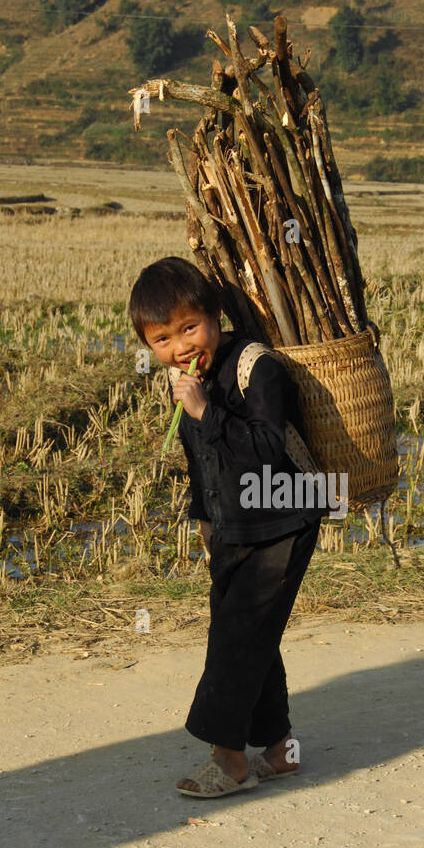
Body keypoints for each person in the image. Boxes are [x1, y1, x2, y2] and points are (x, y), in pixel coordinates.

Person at [129, 256, 327, 797]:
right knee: (246, 630)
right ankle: (281, 748)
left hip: (284, 518)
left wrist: (204, 413)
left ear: (216, 316)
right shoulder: (189, 381)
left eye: (189, 328)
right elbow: (202, 460)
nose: (180, 347)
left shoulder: (254, 367)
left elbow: (265, 448)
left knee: (235, 636)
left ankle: (230, 759)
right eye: (163, 339)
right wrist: (205, 518)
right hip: (234, 524)